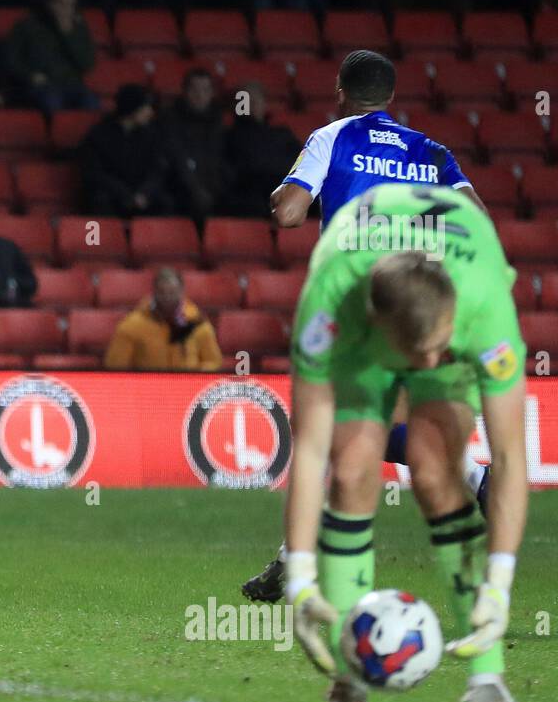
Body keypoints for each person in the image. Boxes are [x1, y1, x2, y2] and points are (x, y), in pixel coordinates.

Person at [242, 49, 492, 603]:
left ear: (340, 92)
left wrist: (281, 192)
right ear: (392, 98)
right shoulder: (431, 150)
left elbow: (288, 213)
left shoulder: (332, 137)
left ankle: (296, 568)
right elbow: (476, 219)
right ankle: (478, 480)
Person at [282, 183, 527, 702]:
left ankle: (489, 686)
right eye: (425, 358)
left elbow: (510, 457)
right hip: (365, 296)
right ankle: (348, 688)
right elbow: (311, 450)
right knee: (350, 470)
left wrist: (500, 583)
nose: (436, 363)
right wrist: (300, 579)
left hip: (456, 279)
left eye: (442, 349)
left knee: (435, 467)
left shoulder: (481, 308)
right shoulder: (329, 307)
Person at [79, 83, 174, 217]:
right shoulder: (99, 135)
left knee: (166, 202)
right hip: (113, 194)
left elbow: (158, 170)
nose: (150, 113)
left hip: (142, 194)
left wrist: (144, 193)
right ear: (132, 108)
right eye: (146, 107)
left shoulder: (152, 135)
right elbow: (94, 173)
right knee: (100, 200)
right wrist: (126, 195)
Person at [103, 267, 221, 370]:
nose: (167, 297)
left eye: (172, 292)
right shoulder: (130, 326)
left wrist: (194, 377)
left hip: (188, 390)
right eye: (162, 292)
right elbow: (115, 367)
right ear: (153, 292)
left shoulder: (199, 324)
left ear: (182, 291)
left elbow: (214, 362)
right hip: (147, 391)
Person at [5, 0, 98, 113]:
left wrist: (68, 35)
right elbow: (12, 59)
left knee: (92, 104)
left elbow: (87, 64)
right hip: (42, 85)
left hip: (73, 85)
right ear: (50, 3)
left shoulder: (79, 28)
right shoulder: (27, 25)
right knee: (53, 102)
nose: (66, 8)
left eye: (71, 5)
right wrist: (29, 75)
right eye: (61, 3)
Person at [220, 82, 300, 217]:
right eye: (246, 100)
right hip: (252, 194)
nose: (253, 104)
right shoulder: (231, 136)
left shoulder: (281, 133)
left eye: (257, 99)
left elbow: (301, 160)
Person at [162, 67, 228, 218]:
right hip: (180, 187)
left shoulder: (218, 121)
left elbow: (220, 159)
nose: (200, 95)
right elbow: (176, 158)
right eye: (194, 89)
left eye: (205, 90)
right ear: (185, 92)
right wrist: (196, 189)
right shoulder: (170, 120)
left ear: (212, 93)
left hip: (214, 187)